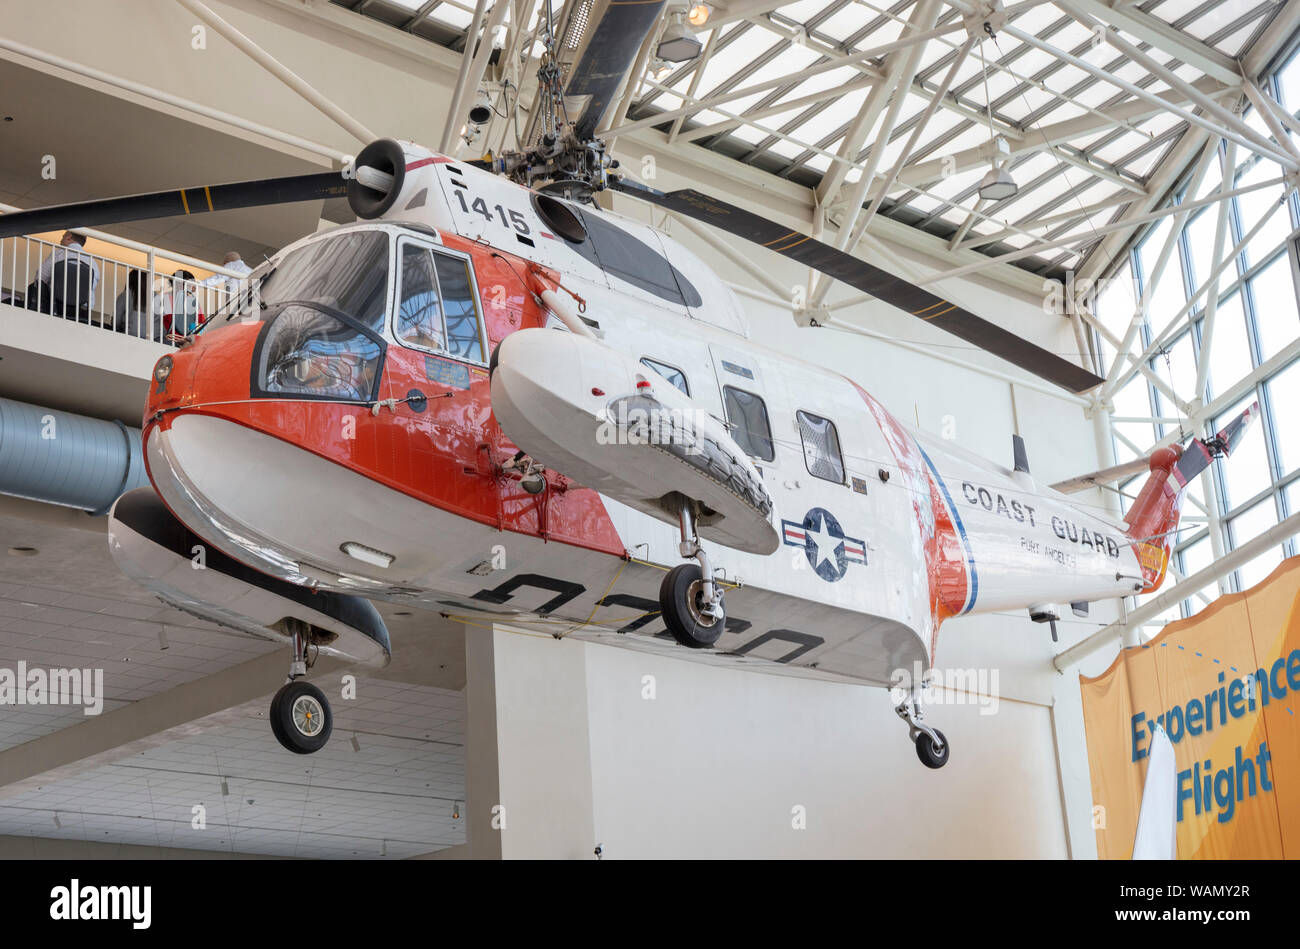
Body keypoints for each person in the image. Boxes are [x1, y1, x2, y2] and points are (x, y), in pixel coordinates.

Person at [27, 231, 100, 316]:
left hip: (55, 307)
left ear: (69, 237)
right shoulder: (93, 263)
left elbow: (40, 277)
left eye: (63, 237)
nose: (60, 241)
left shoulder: (59, 254)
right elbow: (90, 289)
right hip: (80, 312)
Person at [155, 269, 204, 341]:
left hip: (189, 341)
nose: (190, 288)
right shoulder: (166, 299)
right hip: (171, 340)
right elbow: (167, 324)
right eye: (187, 284)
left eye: (191, 285)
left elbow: (201, 324)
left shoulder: (193, 301)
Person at [113, 270, 158, 339]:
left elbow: (116, 321)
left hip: (128, 334)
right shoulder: (155, 296)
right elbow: (159, 321)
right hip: (149, 338)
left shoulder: (126, 294)